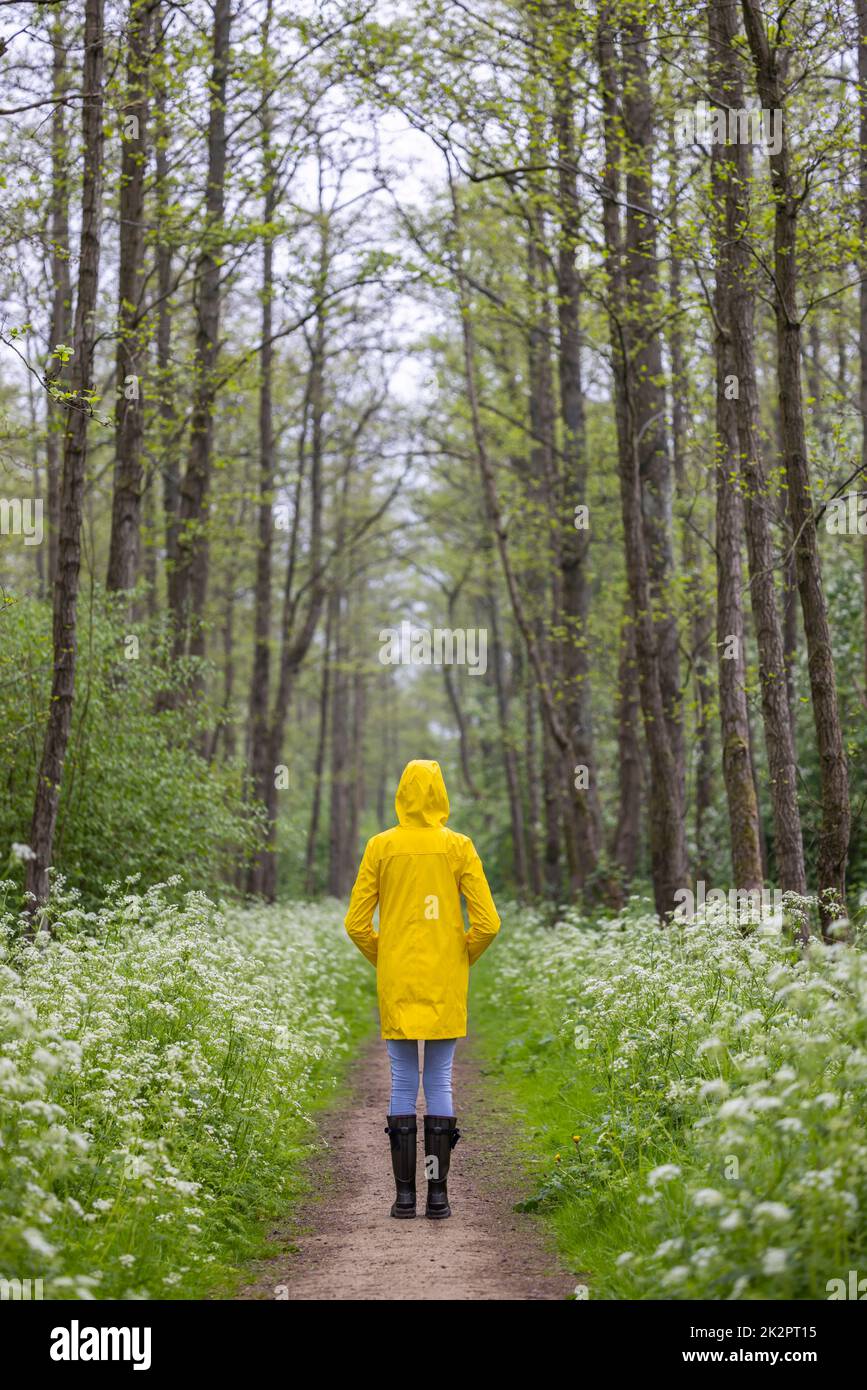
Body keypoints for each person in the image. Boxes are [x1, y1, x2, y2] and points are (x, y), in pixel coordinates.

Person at [344, 759, 501, 1220]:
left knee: (401, 1081)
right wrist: (459, 957)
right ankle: (439, 1197)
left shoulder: (380, 846)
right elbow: (488, 923)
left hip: (398, 979)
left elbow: (356, 924)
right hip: (444, 980)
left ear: (402, 793)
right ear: (440, 795)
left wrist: (386, 955)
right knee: (439, 1080)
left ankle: (404, 1198)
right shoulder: (458, 847)